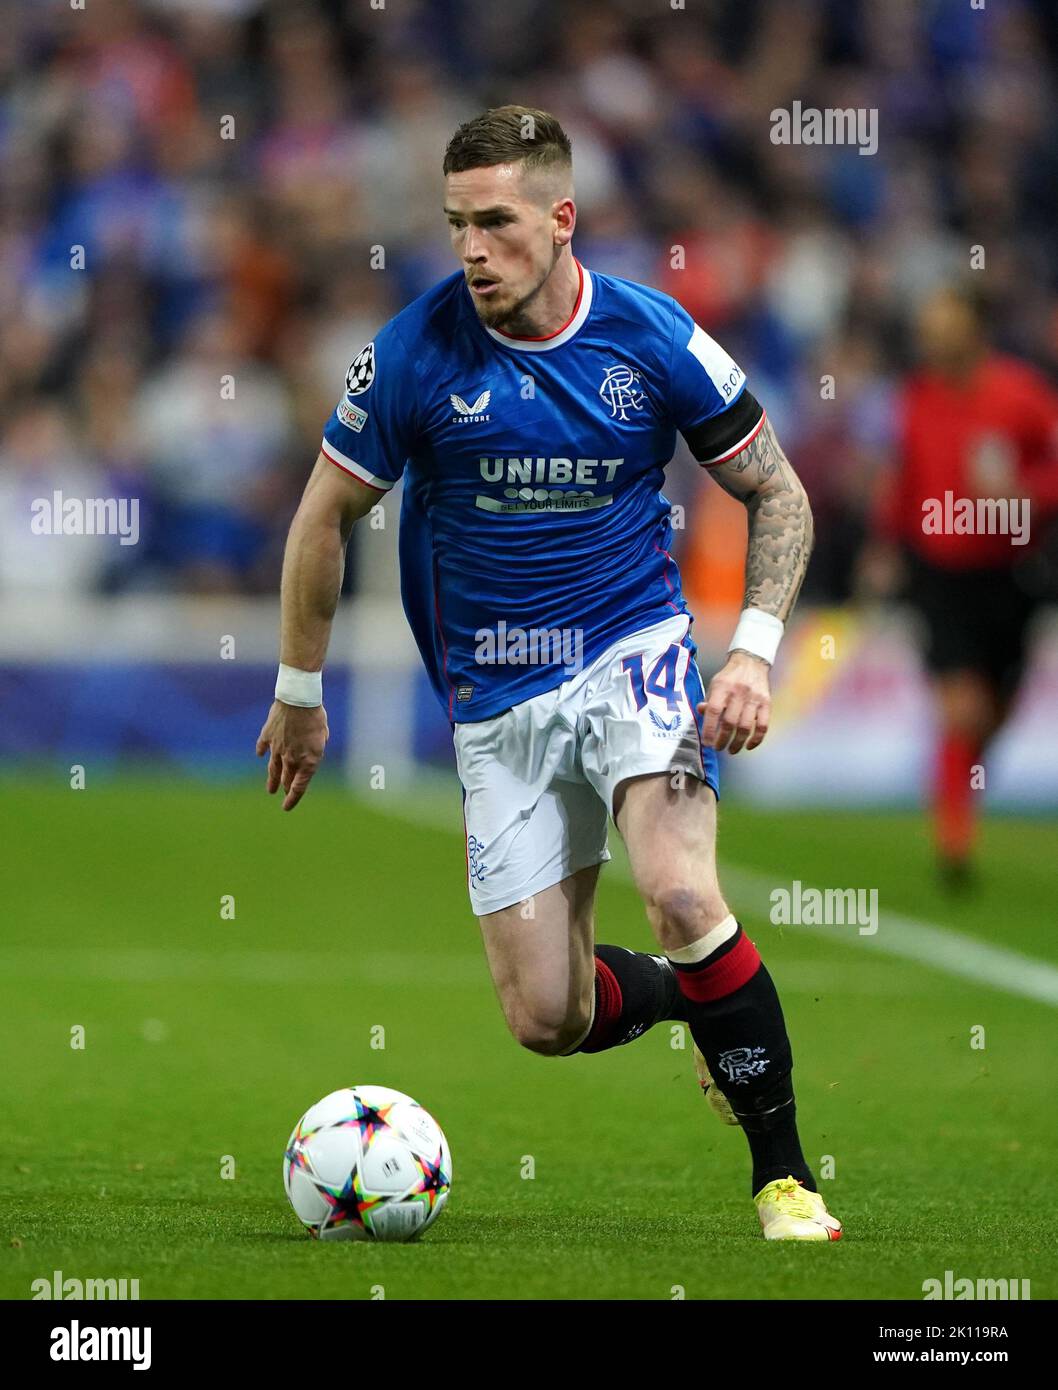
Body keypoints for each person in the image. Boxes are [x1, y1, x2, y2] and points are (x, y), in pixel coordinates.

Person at [256, 106, 841, 1241]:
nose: (470, 249)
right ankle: (689, 1003)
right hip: (497, 698)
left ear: (561, 219)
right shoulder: (413, 353)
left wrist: (753, 655)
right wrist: (296, 688)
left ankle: (783, 1177)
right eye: (454, 225)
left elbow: (778, 490)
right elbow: (324, 516)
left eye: (496, 223)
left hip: (634, 657)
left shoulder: (652, 337)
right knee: (544, 1014)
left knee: (679, 892)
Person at [862, 286, 1058, 886]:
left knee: (993, 713)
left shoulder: (1022, 394)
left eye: (944, 325)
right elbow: (902, 479)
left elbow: (1051, 468)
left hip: (1009, 575)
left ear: (975, 328)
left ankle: (957, 782)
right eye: (928, 327)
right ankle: (955, 845)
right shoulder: (914, 399)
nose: (932, 338)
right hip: (940, 575)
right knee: (963, 708)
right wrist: (886, 544)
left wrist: (1026, 497)